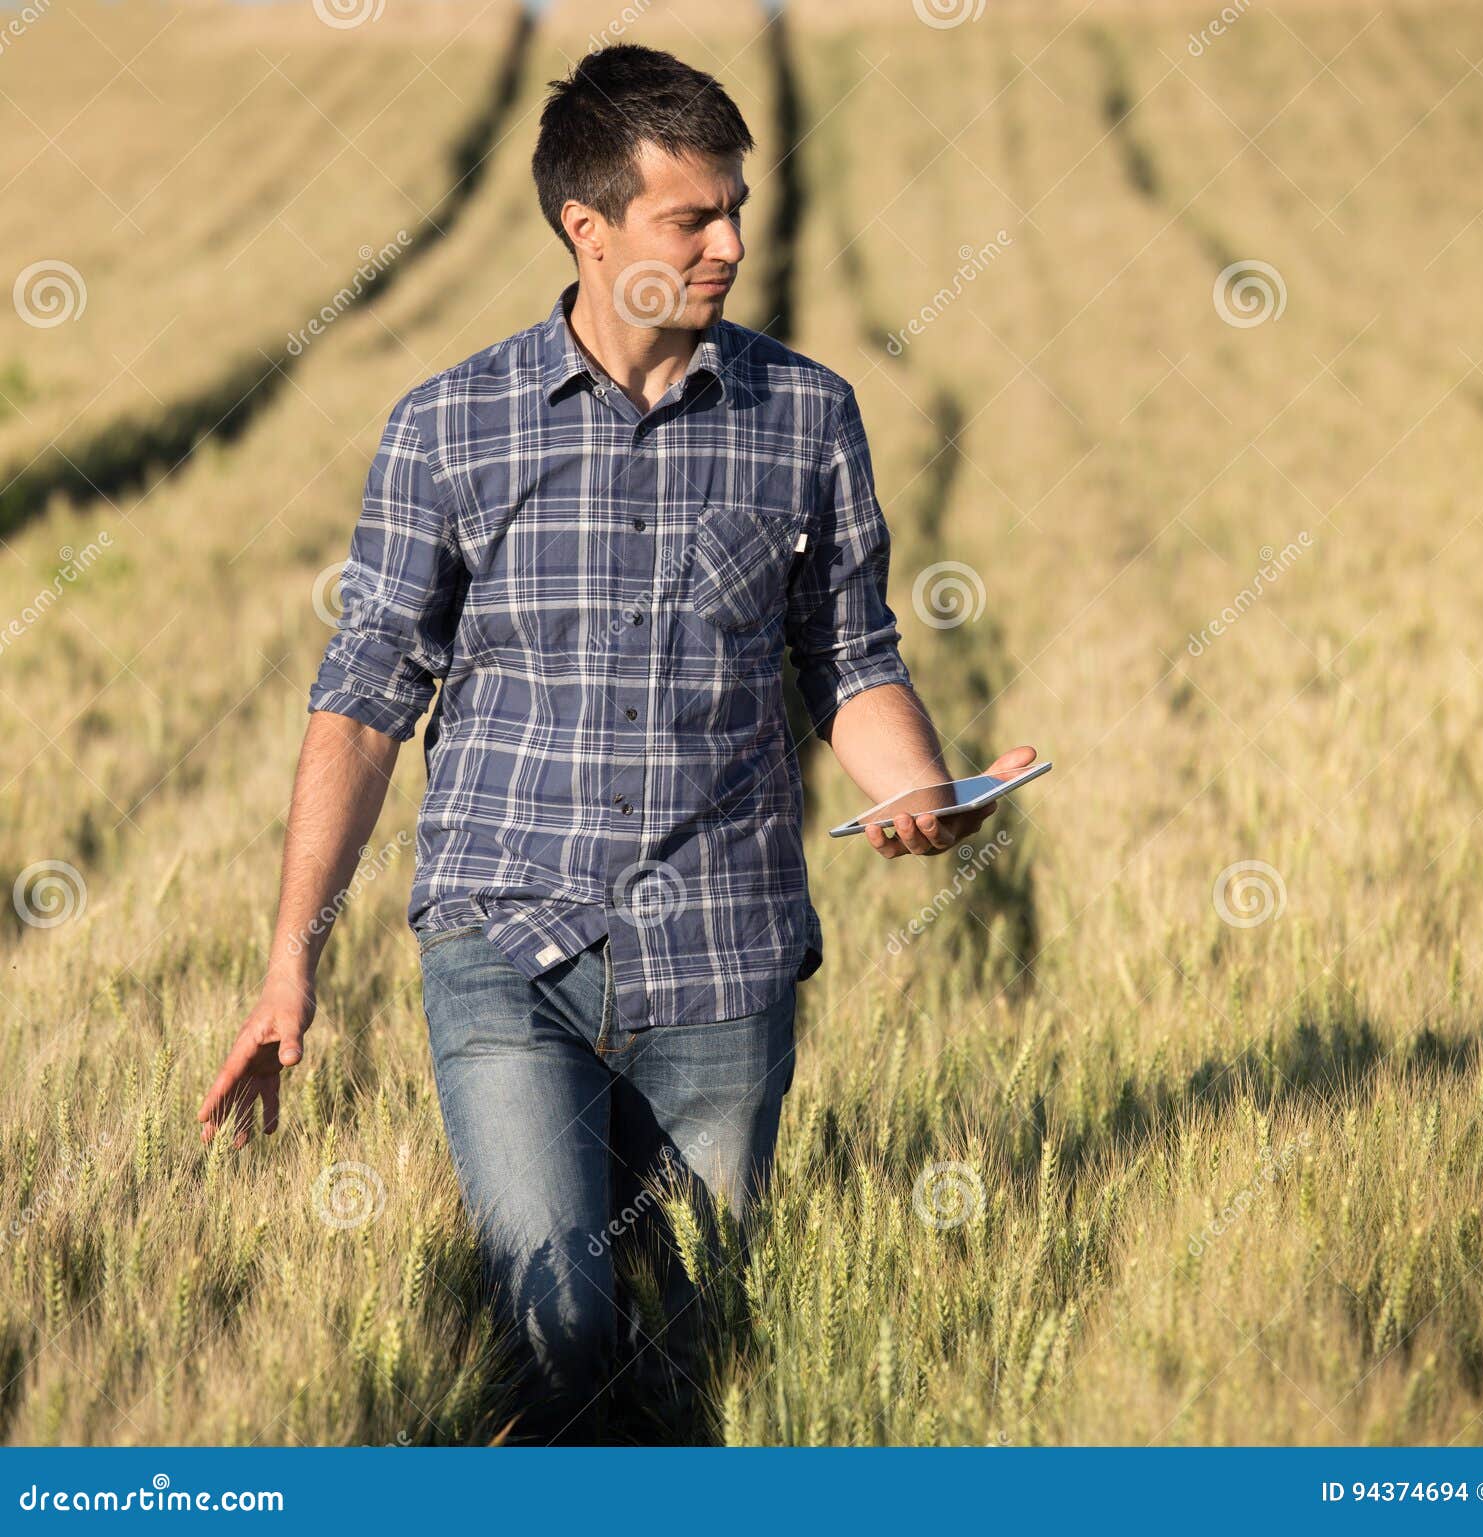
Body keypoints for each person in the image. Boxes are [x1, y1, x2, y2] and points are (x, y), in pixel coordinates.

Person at [197, 42, 1033, 1443]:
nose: (735, 242)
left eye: (738, 207)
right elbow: (363, 699)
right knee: (565, 1326)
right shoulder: (447, 428)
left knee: (690, 1342)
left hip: (725, 952)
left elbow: (851, 658)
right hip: (505, 944)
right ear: (587, 227)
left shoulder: (807, 416)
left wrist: (922, 793)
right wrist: (294, 961)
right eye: (693, 216)